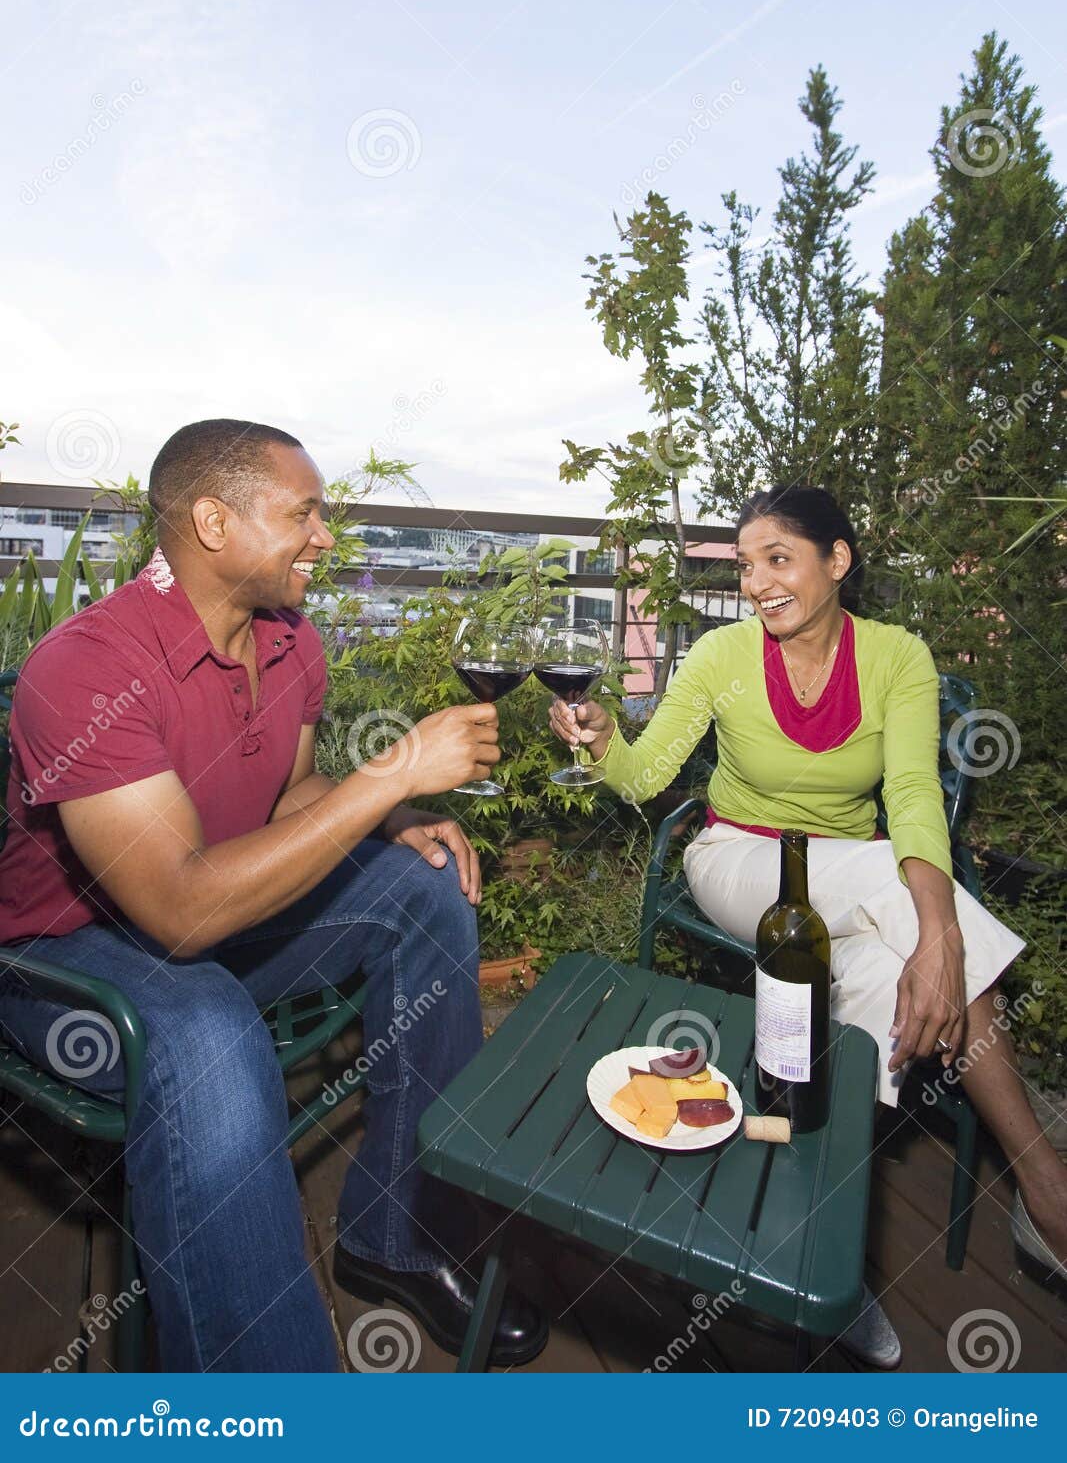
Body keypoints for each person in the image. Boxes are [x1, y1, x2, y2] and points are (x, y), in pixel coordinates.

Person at [0, 419, 547, 1372]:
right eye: (304, 513)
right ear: (213, 522)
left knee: (424, 891)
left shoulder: (291, 641)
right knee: (207, 1025)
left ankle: (398, 1234)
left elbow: (289, 796)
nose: (326, 536)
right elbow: (178, 909)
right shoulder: (87, 668)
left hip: (214, 914)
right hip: (62, 955)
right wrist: (388, 776)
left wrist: (383, 819)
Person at [549, 483, 1066, 1364]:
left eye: (777, 559)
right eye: (746, 564)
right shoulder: (719, 656)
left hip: (855, 879)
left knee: (872, 971)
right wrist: (601, 741)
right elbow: (641, 780)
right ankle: (1047, 1189)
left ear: (837, 561)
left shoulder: (897, 657)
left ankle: (808, 1255)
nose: (756, 582)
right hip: (741, 863)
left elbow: (909, 795)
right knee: (910, 912)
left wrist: (925, 940)